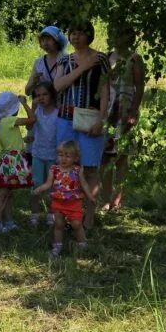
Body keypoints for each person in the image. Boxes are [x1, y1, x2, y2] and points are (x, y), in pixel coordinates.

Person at [54, 20, 111, 229]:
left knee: (90, 168)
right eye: (73, 33)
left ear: (89, 35)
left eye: (80, 33)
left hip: (90, 120)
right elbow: (58, 85)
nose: (76, 37)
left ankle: (89, 217)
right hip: (66, 120)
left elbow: (105, 91)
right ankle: (69, 213)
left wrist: (102, 119)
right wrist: (84, 67)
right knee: (66, 167)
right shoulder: (65, 60)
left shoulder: (101, 59)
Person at [100, 24, 145, 211]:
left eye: (120, 34)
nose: (116, 38)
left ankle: (117, 200)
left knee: (121, 157)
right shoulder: (107, 57)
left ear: (130, 38)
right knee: (105, 156)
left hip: (125, 111)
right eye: (113, 34)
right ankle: (105, 199)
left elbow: (139, 87)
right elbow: (102, 84)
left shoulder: (135, 59)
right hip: (108, 111)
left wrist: (133, 112)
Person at [32, 140, 97, 256]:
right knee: (58, 224)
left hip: (74, 203)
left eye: (67, 156)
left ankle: (82, 244)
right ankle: (57, 246)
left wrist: (91, 196)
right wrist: (39, 189)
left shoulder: (77, 170)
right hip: (58, 202)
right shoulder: (54, 169)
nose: (63, 158)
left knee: (76, 224)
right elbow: (48, 184)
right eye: (61, 155)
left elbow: (84, 184)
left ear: (75, 158)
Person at [0, 92, 35, 233]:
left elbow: (10, 141)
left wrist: (23, 140)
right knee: (3, 194)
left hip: (9, 160)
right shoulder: (10, 120)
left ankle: (8, 222)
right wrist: (24, 103)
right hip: (12, 162)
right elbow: (32, 119)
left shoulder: (3, 121)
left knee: (8, 194)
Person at [28, 81, 59, 227]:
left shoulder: (58, 113)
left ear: (52, 95)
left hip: (53, 155)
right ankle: (34, 214)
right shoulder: (37, 111)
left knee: (53, 186)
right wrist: (31, 107)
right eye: (38, 95)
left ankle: (51, 214)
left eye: (45, 94)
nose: (41, 98)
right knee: (36, 184)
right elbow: (30, 126)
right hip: (38, 154)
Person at [25, 25, 69, 95]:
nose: (45, 43)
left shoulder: (66, 60)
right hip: (43, 101)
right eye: (43, 40)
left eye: (48, 40)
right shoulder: (39, 62)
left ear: (57, 41)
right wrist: (33, 82)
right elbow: (27, 92)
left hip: (62, 101)